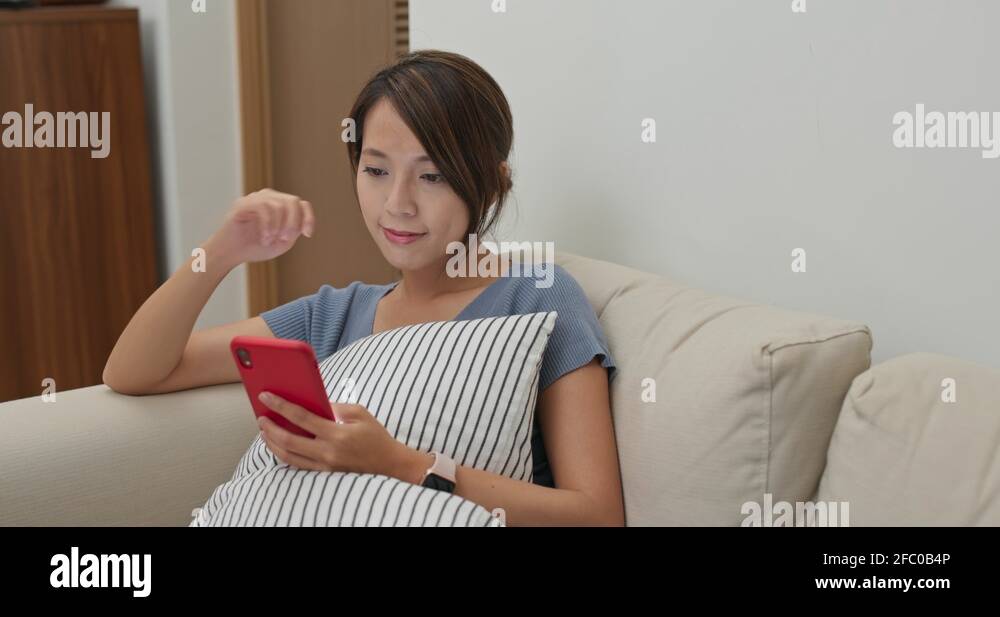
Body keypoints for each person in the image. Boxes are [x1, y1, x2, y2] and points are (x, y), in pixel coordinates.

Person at [103, 50, 624, 526]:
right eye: (376, 169)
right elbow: (134, 372)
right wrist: (219, 253)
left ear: (490, 183)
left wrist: (398, 463)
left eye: (432, 176)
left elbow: (598, 516)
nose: (397, 203)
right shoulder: (333, 315)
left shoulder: (538, 296)